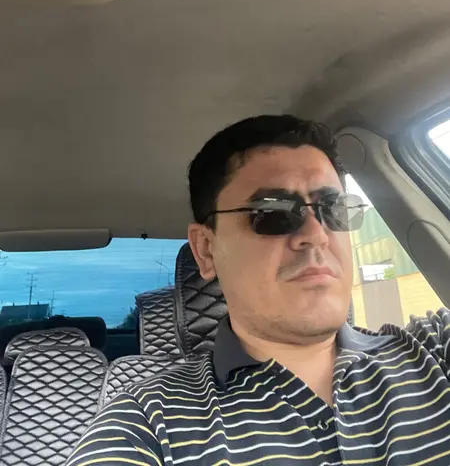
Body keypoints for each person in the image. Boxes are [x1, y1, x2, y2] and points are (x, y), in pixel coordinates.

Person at [66, 115, 450, 466]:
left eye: (334, 209)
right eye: (273, 213)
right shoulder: (146, 425)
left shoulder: (434, 351)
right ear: (206, 250)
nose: (317, 234)